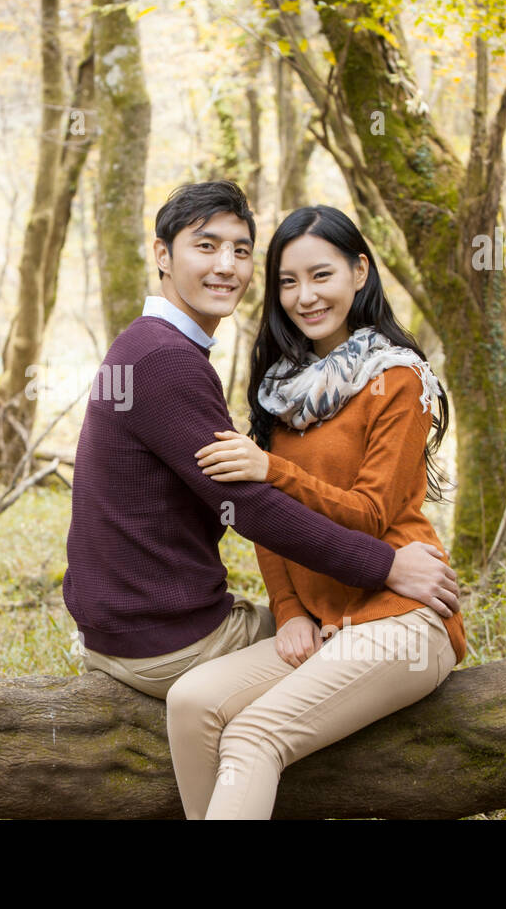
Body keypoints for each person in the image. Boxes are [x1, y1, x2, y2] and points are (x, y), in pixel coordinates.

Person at [63, 182, 459, 700]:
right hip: (168, 639)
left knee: (320, 624)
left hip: (128, 624)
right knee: (331, 635)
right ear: (162, 254)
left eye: (241, 251)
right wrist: (385, 566)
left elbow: (253, 499)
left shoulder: (149, 345)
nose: (226, 265)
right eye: (206, 246)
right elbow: (248, 506)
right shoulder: (166, 360)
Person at [164, 203, 468, 818]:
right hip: (320, 625)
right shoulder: (281, 386)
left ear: (359, 272)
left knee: (253, 735)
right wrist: (290, 609)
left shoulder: (398, 380)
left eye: (321, 275)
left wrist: (272, 468)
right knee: (191, 701)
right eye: (287, 281)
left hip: (402, 618)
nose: (304, 296)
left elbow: (369, 514)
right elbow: (267, 519)